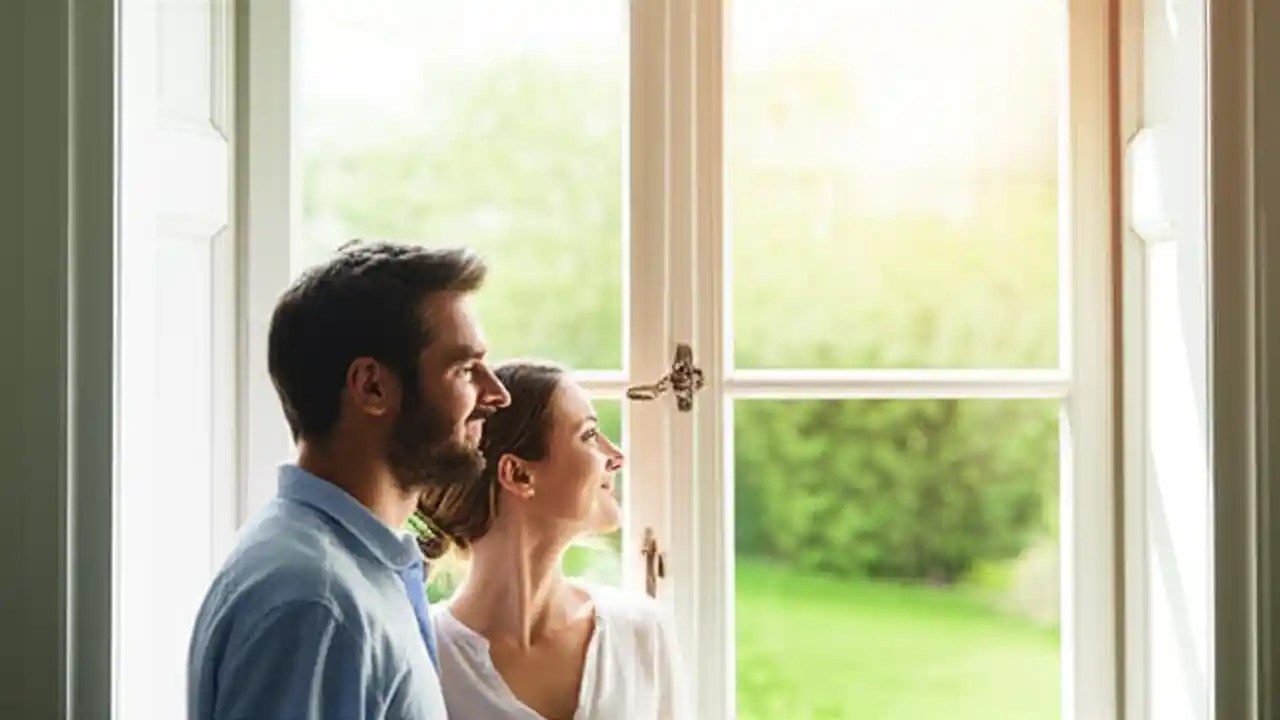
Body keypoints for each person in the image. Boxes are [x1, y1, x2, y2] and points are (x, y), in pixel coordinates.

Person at [187, 241, 510, 719]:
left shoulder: (340, 571)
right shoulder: (316, 603)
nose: (497, 394)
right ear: (372, 387)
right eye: (464, 369)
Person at [417, 360, 689, 720]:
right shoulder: (422, 657)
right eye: (588, 435)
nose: (616, 457)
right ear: (518, 474)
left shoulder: (641, 632)